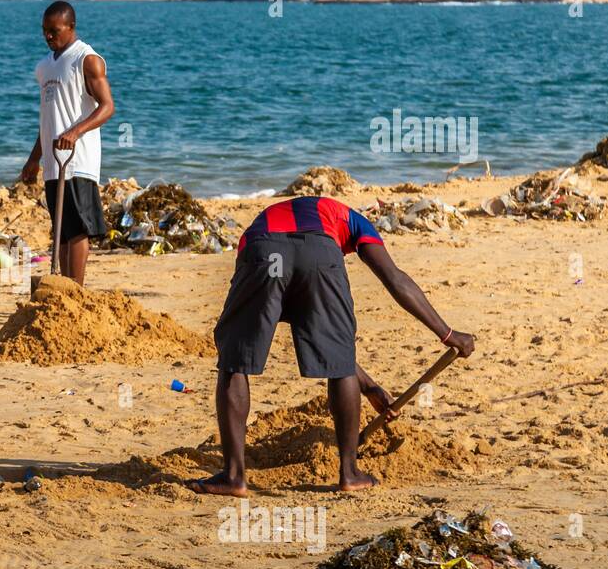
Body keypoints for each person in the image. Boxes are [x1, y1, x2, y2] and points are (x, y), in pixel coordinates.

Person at [193, 195, 475, 496]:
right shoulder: (354, 220)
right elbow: (394, 280)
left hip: (261, 250)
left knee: (234, 361)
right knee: (339, 364)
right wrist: (448, 334)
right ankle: (349, 473)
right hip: (320, 256)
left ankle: (234, 476)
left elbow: (283, 304)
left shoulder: (266, 219)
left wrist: (370, 387)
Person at [19, 0, 115, 285]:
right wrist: (34, 158)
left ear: (71, 27)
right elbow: (47, 120)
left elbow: (107, 107)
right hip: (53, 162)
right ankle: (62, 289)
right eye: (44, 31)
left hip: (78, 160)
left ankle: (76, 291)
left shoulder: (87, 59)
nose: (48, 36)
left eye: (54, 30)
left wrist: (74, 133)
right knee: (60, 228)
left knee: (76, 229)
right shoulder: (44, 67)